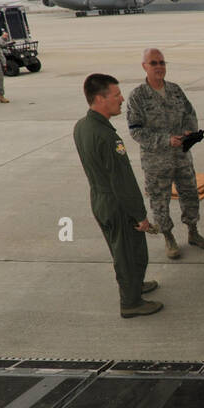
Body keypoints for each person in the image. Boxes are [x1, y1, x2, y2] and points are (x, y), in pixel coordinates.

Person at [72, 74, 161, 318]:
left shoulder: (81, 126)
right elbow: (122, 181)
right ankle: (131, 302)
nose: (122, 99)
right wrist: (140, 215)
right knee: (129, 254)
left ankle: (135, 286)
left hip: (100, 199)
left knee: (121, 250)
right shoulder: (107, 137)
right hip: (118, 203)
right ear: (100, 99)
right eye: (116, 95)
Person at [125, 47, 204, 259]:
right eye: (154, 63)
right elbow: (135, 130)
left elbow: (190, 114)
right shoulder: (138, 96)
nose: (159, 67)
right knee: (159, 201)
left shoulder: (175, 90)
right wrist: (165, 140)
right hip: (156, 161)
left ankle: (193, 232)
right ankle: (169, 237)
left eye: (162, 63)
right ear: (144, 66)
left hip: (182, 156)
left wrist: (189, 131)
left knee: (190, 194)